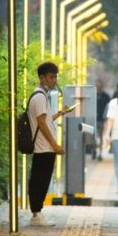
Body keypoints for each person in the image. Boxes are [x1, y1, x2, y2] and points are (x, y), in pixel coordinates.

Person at [27, 62, 75, 226]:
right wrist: (55, 145)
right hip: (43, 147)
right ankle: (36, 214)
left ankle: (37, 213)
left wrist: (60, 113)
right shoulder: (40, 96)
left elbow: (46, 119)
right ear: (42, 78)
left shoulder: (40, 95)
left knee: (41, 179)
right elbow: (41, 123)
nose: (54, 80)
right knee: (40, 180)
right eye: (51, 77)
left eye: (55, 77)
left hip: (44, 147)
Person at [94, 80, 111, 160]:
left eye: (99, 86)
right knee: (93, 136)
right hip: (93, 118)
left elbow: (109, 107)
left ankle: (99, 153)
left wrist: (107, 118)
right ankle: (94, 150)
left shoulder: (106, 96)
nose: (98, 87)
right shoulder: (92, 95)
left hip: (101, 119)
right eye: (97, 86)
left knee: (100, 136)